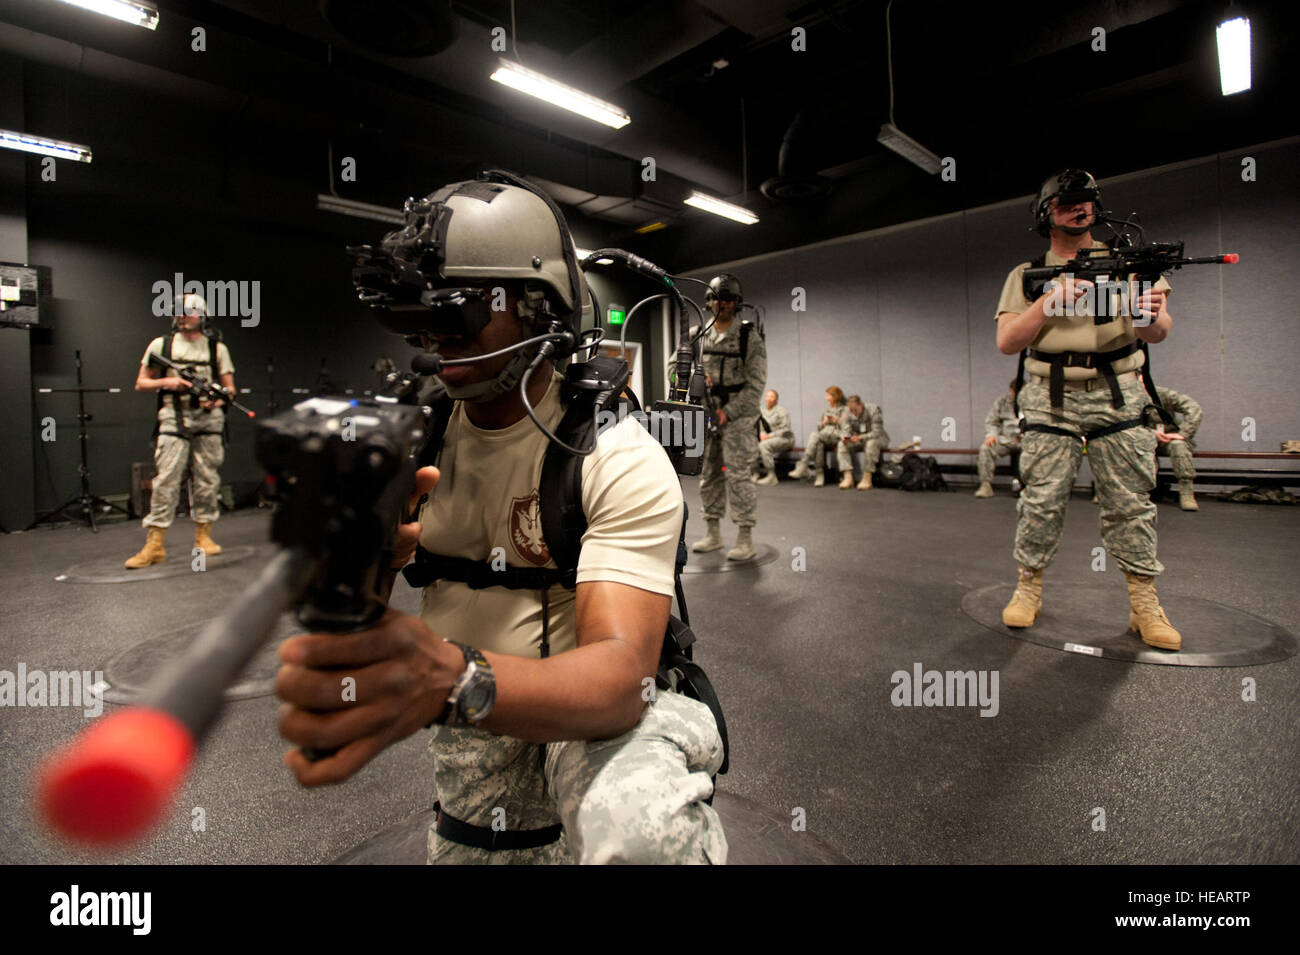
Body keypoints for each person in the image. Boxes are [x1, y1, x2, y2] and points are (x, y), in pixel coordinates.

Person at [274, 175, 727, 864]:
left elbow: (619, 681)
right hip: (471, 723)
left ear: (539, 307)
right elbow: (360, 629)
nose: (436, 339)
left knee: (640, 831)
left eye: (458, 315)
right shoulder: (415, 440)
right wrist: (356, 563)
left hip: (595, 717)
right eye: (425, 318)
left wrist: (446, 677)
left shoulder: (612, 451)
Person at [994, 169, 1181, 651]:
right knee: (1040, 500)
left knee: (1131, 504)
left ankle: (1145, 604)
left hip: (1118, 391)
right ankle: (1028, 587)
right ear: (1045, 213)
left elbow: (1156, 332)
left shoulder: (1129, 261)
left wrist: (1148, 308)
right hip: (1049, 397)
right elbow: (1007, 341)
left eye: (1087, 201)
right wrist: (1048, 304)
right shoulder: (1025, 273)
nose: (1080, 209)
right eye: (1067, 203)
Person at [125, 294, 235, 568]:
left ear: (202, 315)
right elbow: (141, 383)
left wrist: (218, 398)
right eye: (178, 312)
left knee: (207, 480)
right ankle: (155, 544)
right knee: (165, 481)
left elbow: (230, 389)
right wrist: (170, 382)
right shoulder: (161, 345)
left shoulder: (216, 349)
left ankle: (203, 537)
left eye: (188, 312)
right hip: (174, 419)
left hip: (209, 421)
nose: (182, 316)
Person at [691, 273, 767, 561]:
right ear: (709, 302)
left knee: (738, 476)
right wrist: (696, 382)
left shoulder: (749, 338)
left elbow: (756, 385)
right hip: (708, 414)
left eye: (728, 299)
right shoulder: (697, 335)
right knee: (708, 474)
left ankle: (745, 538)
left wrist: (729, 412)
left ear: (736, 303)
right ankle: (712, 532)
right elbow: (676, 368)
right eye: (717, 299)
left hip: (739, 418)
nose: (722, 304)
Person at [1147, 384, 1203, 511]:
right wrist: (1150, 434)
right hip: (1143, 438)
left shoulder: (1160, 394)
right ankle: (1141, 493)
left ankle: (1186, 493)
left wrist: (1184, 434)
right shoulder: (1126, 396)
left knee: (1179, 446)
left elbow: (1193, 408)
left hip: (1167, 437)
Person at [789, 386, 847, 487]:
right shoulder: (826, 410)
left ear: (835, 396)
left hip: (837, 436)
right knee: (818, 443)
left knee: (814, 436)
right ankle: (820, 474)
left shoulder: (845, 409)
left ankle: (804, 463)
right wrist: (824, 423)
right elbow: (819, 428)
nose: (826, 398)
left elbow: (847, 426)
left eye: (828, 396)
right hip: (824, 435)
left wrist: (837, 421)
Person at [976, 380, 1022, 498]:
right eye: (1014, 392)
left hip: (1026, 441)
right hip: (1006, 439)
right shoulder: (1002, 402)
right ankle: (986, 485)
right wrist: (991, 435)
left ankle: (1031, 487)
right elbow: (992, 421)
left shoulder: (1033, 403)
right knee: (986, 448)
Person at [836, 395, 889, 490]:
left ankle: (867, 478)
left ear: (861, 404)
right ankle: (848, 478)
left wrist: (861, 437)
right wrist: (845, 437)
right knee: (842, 444)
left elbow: (877, 432)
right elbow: (845, 428)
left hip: (878, 438)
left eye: (855, 410)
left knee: (871, 444)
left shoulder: (873, 410)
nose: (854, 413)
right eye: (851, 410)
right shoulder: (847, 411)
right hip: (858, 439)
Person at [754, 389, 794, 486]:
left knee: (764, 445)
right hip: (767, 438)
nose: (769, 399)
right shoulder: (762, 411)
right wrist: (761, 435)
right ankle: (755, 473)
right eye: (767, 396)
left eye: (772, 396)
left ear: (776, 399)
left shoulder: (782, 411)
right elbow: (760, 426)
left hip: (785, 439)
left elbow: (786, 429)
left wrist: (769, 436)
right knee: (750, 444)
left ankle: (771, 476)